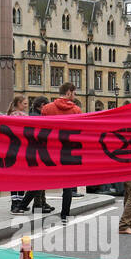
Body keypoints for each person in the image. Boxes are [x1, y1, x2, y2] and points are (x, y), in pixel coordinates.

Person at [41, 83, 85, 220]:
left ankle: (29, 205)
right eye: (74, 93)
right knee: (67, 185)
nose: (75, 96)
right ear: (69, 93)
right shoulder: (76, 110)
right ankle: (65, 213)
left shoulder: (47, 108)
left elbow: (41, 129)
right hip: (68, 151)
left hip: (50, 150)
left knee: (41, 180)